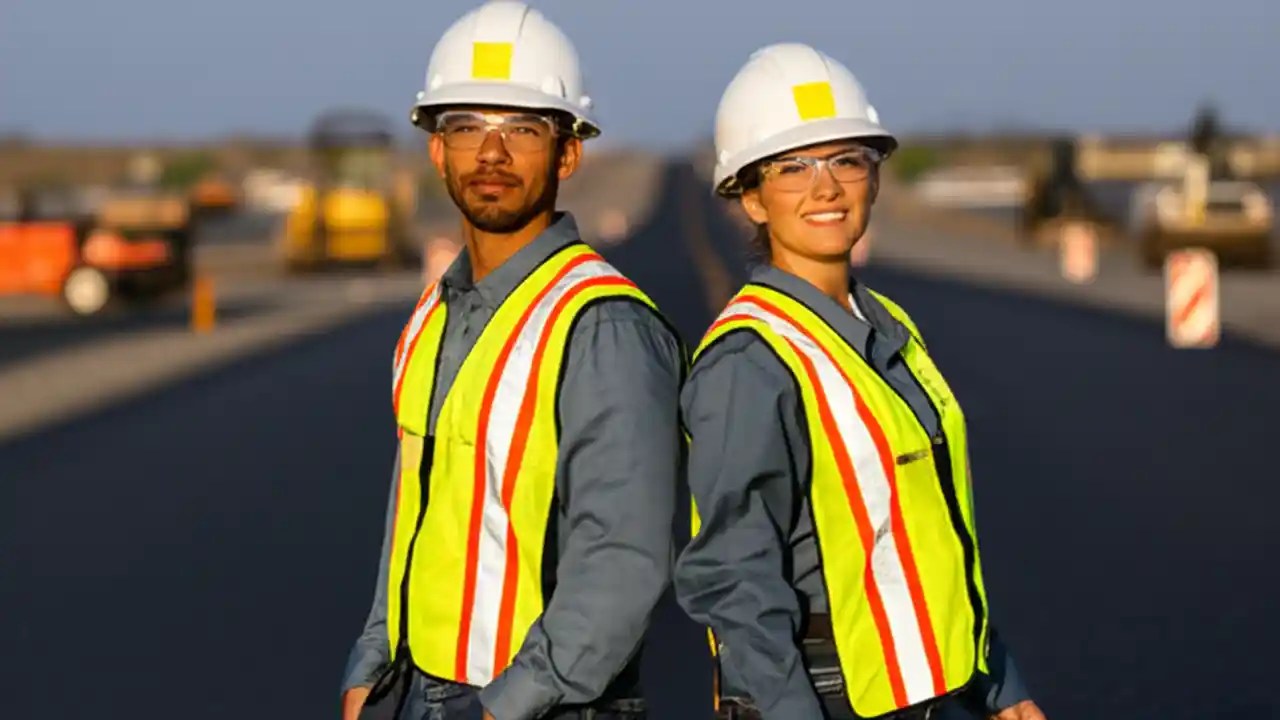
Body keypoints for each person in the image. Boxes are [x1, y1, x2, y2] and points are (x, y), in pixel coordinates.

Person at [674, 44, 1049, 720]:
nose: (825, 187)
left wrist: (998, 680)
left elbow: (926, 533)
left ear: (873, 179)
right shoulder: (748, 361)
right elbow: (733, 579)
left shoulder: (888, 323)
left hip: (923, 695)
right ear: (751, 198)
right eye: (792, 167)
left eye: (846, 159)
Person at [340, 3, 684, 719]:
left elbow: (624, 562)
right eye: (467, 127)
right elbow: (416, 506)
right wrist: (372, 660)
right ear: (437, 149)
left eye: (521, 129)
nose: (490, 155)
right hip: (421, 694)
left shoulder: (602, 324)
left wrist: (507, 706)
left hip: (541, 707)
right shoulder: (436, 311)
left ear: (567, 153)